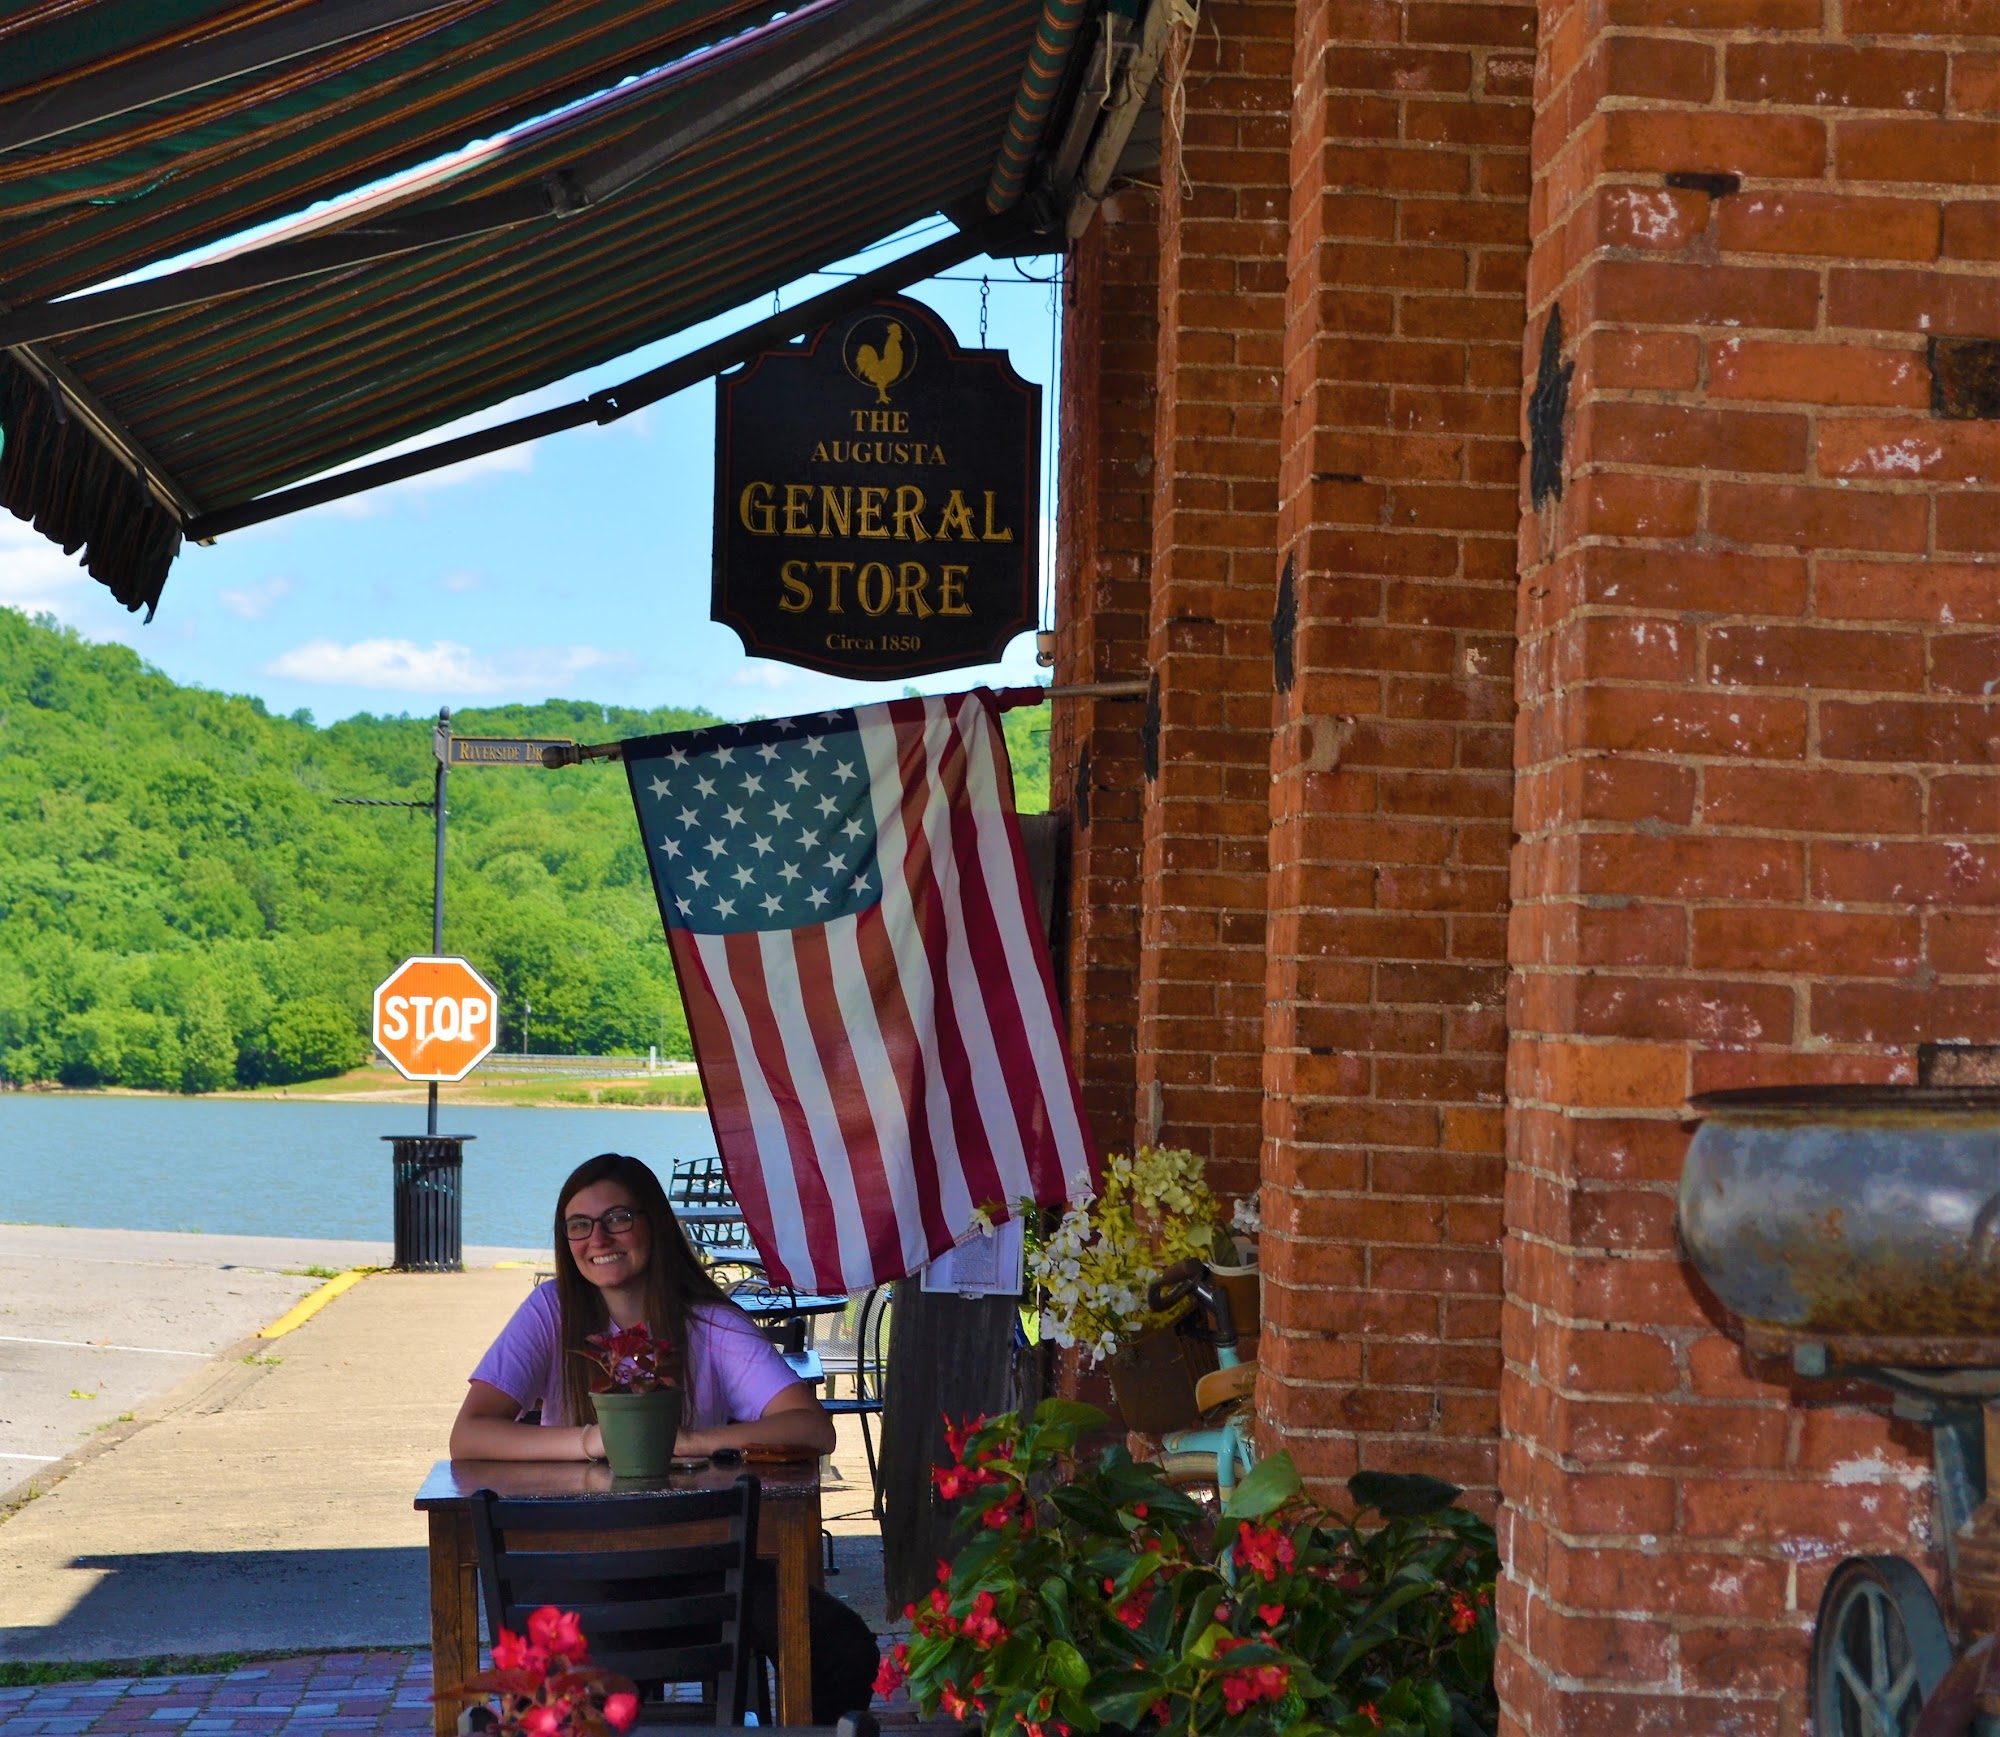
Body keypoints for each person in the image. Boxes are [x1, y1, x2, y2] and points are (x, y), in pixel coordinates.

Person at [452, 1151, 879, 1721]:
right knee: (583, 1670)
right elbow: (469, 1434)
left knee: (843, 1646)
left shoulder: (708, 1321)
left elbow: (811, 1428)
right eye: (579, 1224)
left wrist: (689, 1440)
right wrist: (589, 1440)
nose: (598, 1238)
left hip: (702, 1569)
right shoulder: (550, 1310)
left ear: (654, 1222)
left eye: (618, 1218)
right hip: (577, 1568)